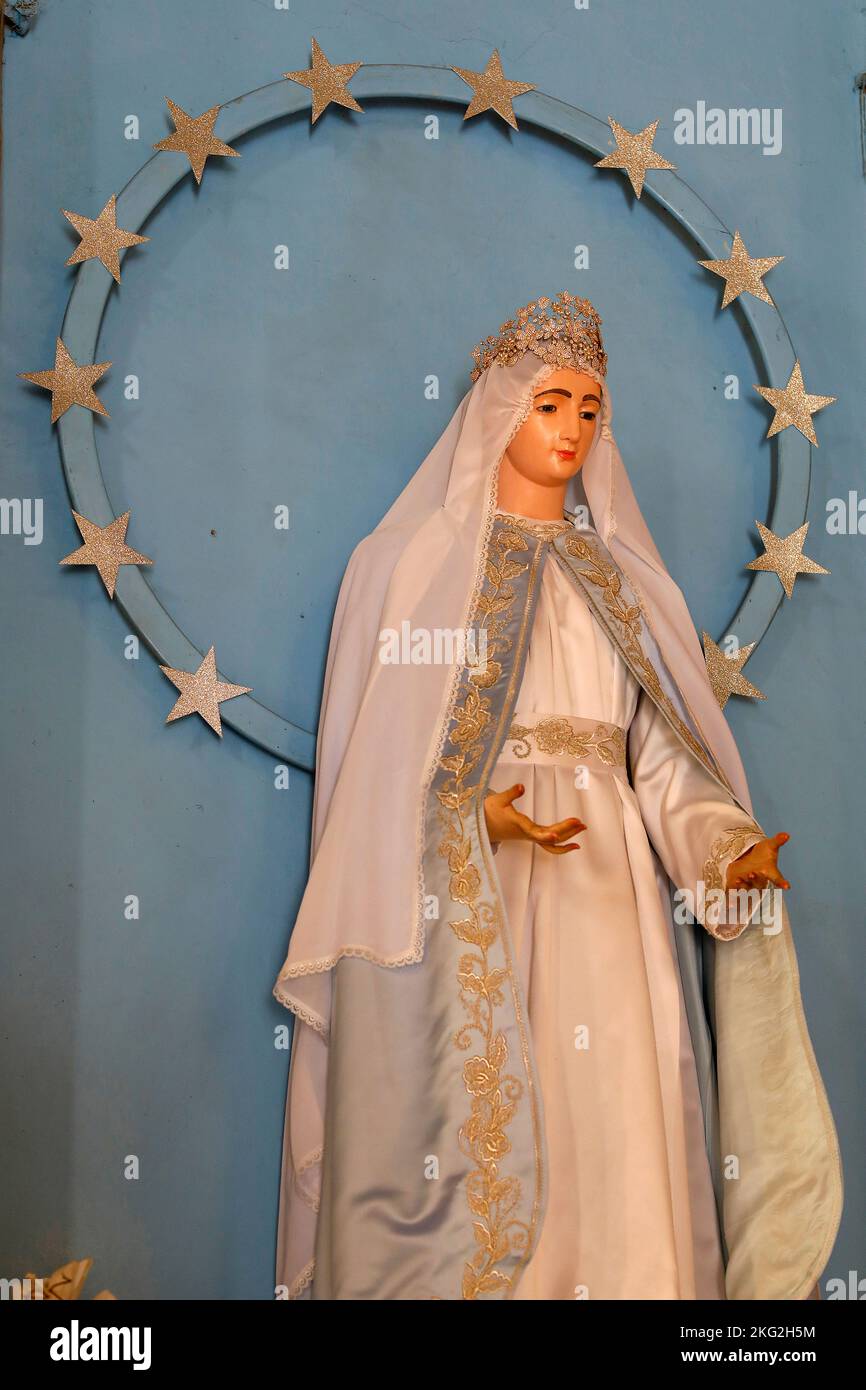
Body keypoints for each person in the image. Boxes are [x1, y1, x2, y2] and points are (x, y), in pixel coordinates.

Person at [273, 292, 842, 1301]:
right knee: (500, 1116)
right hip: (484, 900)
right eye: (549, 403)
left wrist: (722, 851)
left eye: (589, 407)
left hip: (612, 889)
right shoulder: (406, 571)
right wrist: (469, 812)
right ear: (499, 412)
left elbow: (661, 757)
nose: (572, 428)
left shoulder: (620, 583)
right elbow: (375, 779)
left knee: (624, 1105)